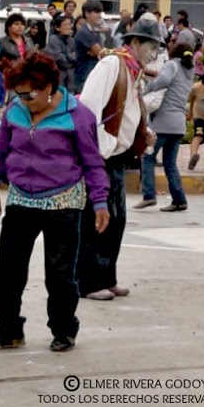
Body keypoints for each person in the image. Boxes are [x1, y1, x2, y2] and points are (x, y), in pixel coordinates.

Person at [0, 53, 109, 353]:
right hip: (20, 199)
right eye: (19, 93)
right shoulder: (16, 111)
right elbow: (0, 151)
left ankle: (64, 329)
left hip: (63, 202)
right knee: (9, 269)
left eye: (30, 94)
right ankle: (9, 327)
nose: (24, 100)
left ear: (50, 86)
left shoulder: (78, 116)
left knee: (60, 272)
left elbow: (92, 162)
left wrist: (100, 201)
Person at [77, 18, 159, 302]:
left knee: (117, 219)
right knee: (98, 220)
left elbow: (130, 110)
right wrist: (92, 150)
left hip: (117, 155)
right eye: (150, 46)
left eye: (157, 48)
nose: (153, 53)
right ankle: (87, 282)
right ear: (134, 42)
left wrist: (143, 132)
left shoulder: (132, 70)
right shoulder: (112, 65)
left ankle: (106, 277)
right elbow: (89, 108)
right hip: (101, 154)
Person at [137, 40, 193, 213]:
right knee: (170, 163)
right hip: (178, 123)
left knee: (148, 157)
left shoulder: (171, 65)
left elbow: (163, 81)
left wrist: (148, 87)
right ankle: (179, 199)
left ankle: (148, 195)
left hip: (162, 121)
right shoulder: (189, 70)